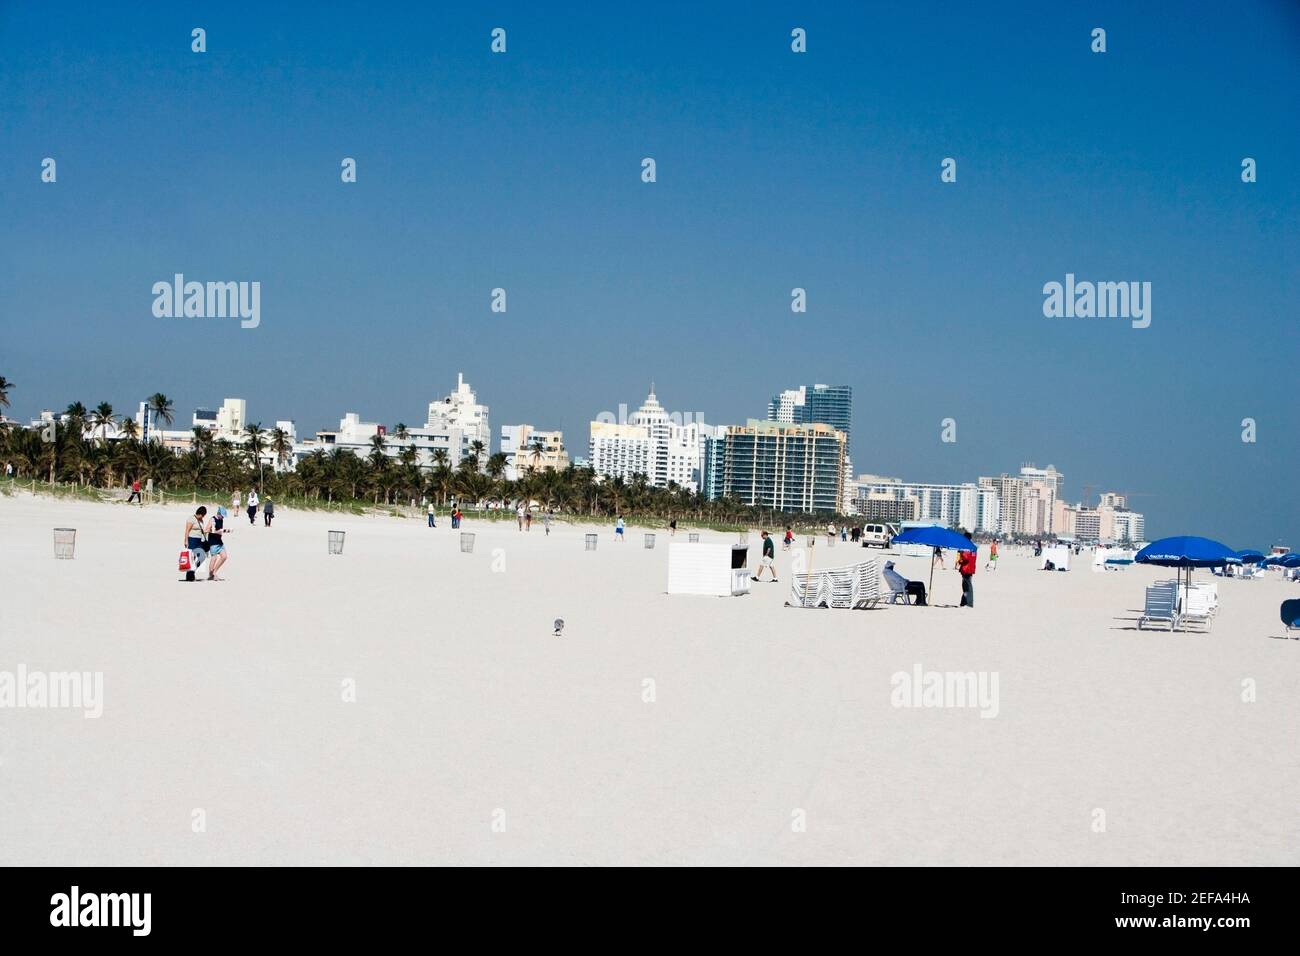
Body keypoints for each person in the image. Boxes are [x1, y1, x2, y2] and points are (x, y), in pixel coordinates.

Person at [182, 506, 208, 582]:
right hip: (192, 539)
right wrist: (186, 540)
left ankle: (192, 571)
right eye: (203, 515)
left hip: (199, 540)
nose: (203, 517)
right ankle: (190, 575)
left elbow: (202, 531)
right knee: (191, 558)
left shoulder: (201, 520)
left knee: (202, 556)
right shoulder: (191, 519)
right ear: (200, 513)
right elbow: (187, 530)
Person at [206, 506, 229, 580]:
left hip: (219, 541)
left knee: (224, 557)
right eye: (222, 516)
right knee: (214, 558)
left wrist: (225, 531)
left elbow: (220, 530)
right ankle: (211, 575)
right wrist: (216, 532)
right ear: (219, 513)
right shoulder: (212, 519)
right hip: (213, 542)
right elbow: (206, 530)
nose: (223, 517)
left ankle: (214, 572)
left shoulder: (221, 519)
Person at [957, 540, 977, 608]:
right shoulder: (973, 547)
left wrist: (960, 560)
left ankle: (967, 603)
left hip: (966, 569)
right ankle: (963, 602)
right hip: (971, 569)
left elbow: (965, 558)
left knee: (966, 587)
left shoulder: (966, 548)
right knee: (968, 586)